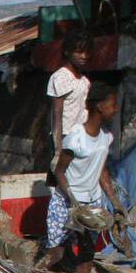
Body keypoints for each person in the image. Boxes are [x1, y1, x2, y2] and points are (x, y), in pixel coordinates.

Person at [38, 84, 127, 273]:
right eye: (113, 104)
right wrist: (74, 202)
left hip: (92, 203)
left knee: (87, 253)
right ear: (100, 107)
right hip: (67, 202)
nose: (116, 109)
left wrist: (115, 202)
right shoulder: (76, 138)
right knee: (57, 253)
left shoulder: (106, 138)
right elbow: (59, 171)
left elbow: (101, 170)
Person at [46, 29, 93, 174]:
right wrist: (58, 150)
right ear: (67, 52)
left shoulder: (84, 80)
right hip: (65, 139)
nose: (84, 56)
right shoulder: (60, 78)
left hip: (80, 138)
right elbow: (56, 114)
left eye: (86, 52)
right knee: (62, 185)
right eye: (79, 52)